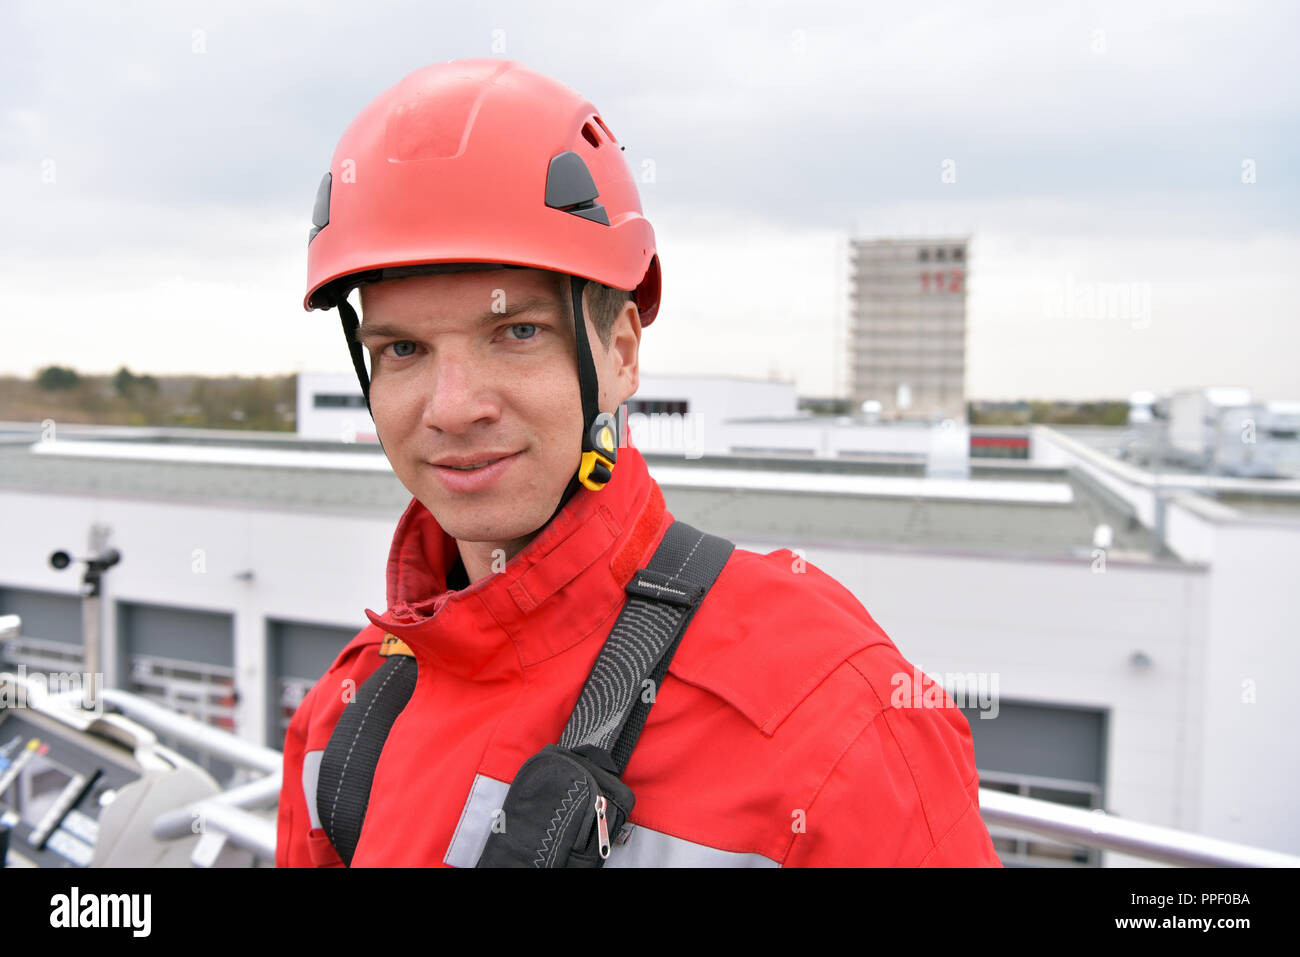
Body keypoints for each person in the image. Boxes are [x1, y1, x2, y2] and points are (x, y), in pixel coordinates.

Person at [276, 57, 1001, 867]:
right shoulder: (343, 723)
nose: (453, 407)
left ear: (620, 353)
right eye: (402, 347)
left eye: (516, 332)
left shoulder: (833, 715)